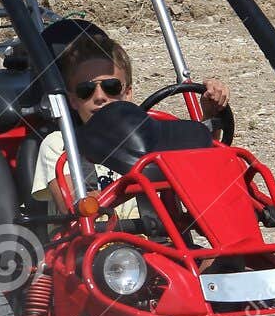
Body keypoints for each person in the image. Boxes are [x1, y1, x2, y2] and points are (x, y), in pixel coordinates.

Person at [30, 32, 229, 216]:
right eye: (86, 90)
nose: (100, 97)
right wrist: (138, 181)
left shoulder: (154, 134)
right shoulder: (61, 145)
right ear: (73, 100)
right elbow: (75, 209)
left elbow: (201, 162)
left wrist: (211, 113)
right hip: (95, 246)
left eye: (111, 87)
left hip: (162, 244)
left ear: (128, 93)